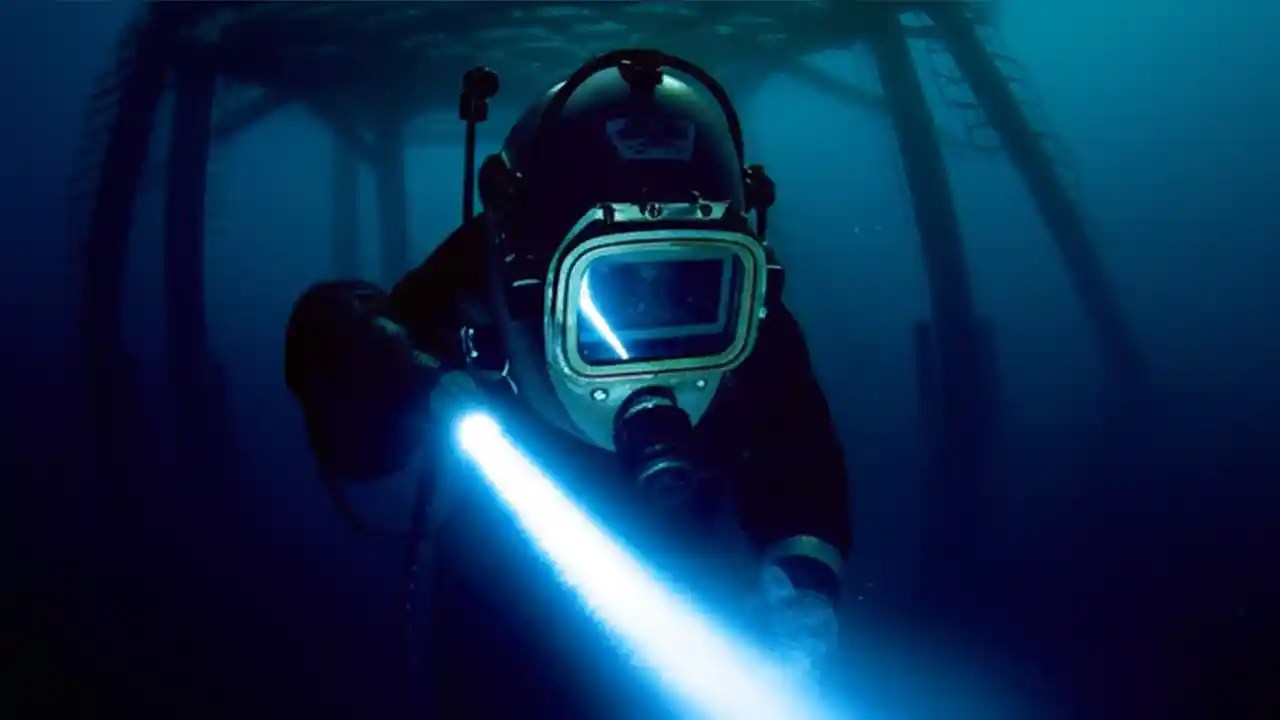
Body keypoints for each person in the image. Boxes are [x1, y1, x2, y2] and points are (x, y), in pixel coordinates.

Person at [284, 50, 852, 718]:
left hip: (688, 617)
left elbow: (799, 460)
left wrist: (802, 584)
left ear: (743, 262)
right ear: (530, 270)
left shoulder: (757, 330)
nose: (649, 344)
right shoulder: (478, 284)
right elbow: (360, 434)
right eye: (612, 289)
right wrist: (379, 364)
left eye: (693, 286)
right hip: (500, 626)